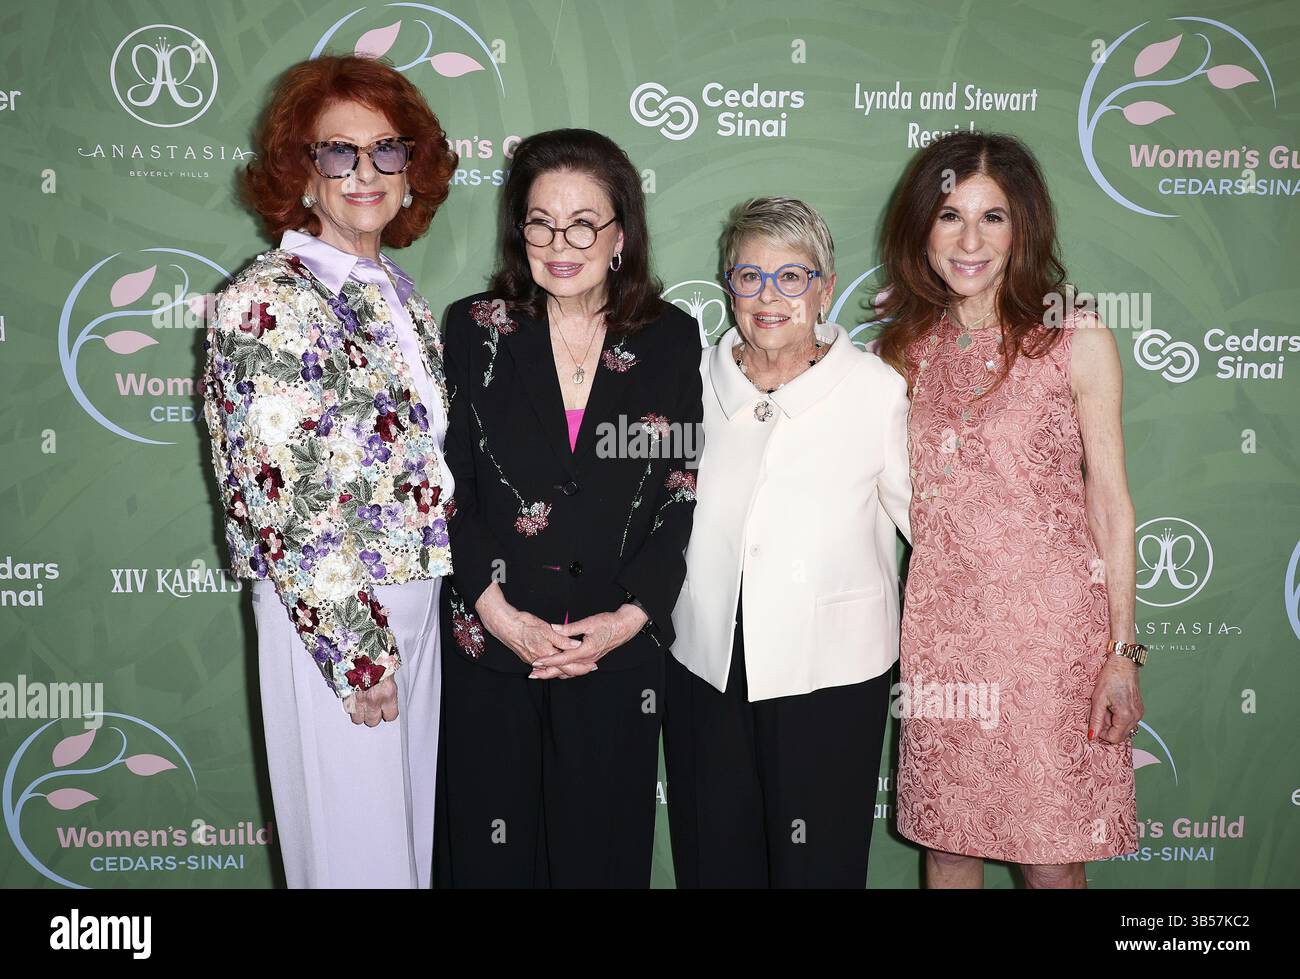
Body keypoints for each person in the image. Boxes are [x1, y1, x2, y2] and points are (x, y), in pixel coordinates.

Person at [200, 54, 458, 888]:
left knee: (400, 857)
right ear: (301, 172)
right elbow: (282, 496)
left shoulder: (393, 291)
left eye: (387, 150)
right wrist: (356, 650)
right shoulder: (268, 297)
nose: (366, 172)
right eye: (337, 152)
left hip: (413, 600)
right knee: (356, 863)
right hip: (338, 616)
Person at [435, 129, 703, 888]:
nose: (561, 242)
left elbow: (682, 491)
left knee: (600, 860)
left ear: (621, 234)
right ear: (518, 230)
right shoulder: (474, 327)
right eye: (540, 221)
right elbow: (447, 485)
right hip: (492, 647)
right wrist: (494, 611)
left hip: (613, 654)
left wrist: (624, 623)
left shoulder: (671, 339)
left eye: (584, 222)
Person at [875, 131, 1144, 888]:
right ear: (921, 228)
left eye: (993, 217)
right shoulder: (902, 350)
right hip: (944, 634)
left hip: (1052, 642)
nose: (970, 239)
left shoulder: (1073, 335)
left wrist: (1122, 652)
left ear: (1023, 227)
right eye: (950, 215)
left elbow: (1112, 502)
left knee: (1050, 859)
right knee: (949, 846)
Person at [663, 197, 912, 888]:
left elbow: (932, 529)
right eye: (749, 276)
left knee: (818, 868)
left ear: (826, 288)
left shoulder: (877, 392)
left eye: (791, 277)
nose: (768, 296)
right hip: (704, 667)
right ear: (727, 285)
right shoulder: (690, 383)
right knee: (714, 862)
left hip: (830, 675)